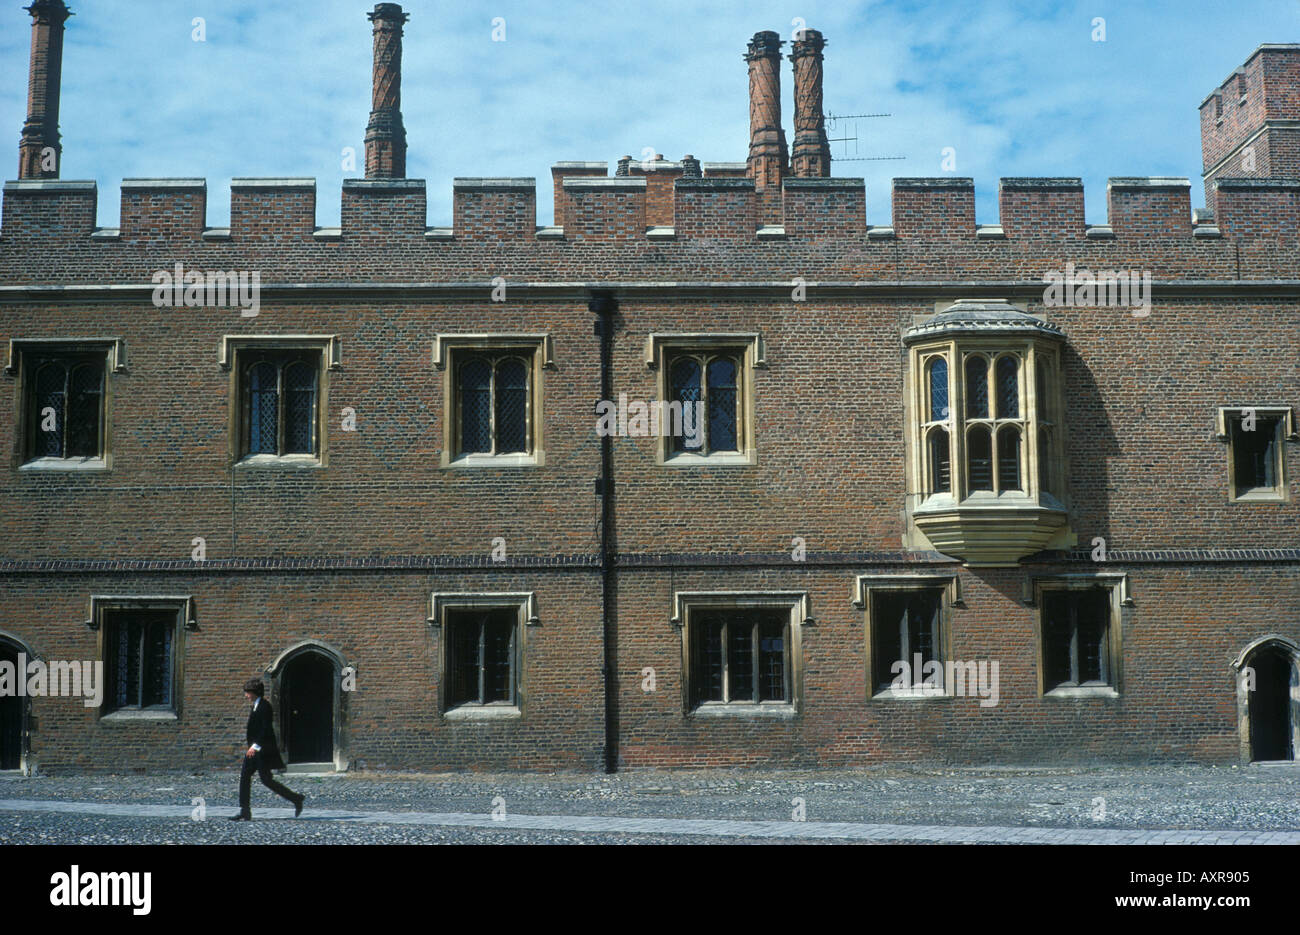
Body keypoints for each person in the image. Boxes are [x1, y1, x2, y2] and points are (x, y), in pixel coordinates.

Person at [230, 678, 304, 820]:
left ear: (255, 692)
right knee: (247, 777)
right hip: (255, 750)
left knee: (265, 780)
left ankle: (296, 798)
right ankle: (245, 810)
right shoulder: (256, 706)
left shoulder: (265, 706)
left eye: (248, 693)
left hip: (261, 751)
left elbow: (265, 729)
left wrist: (255, 746)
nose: (246, 696)